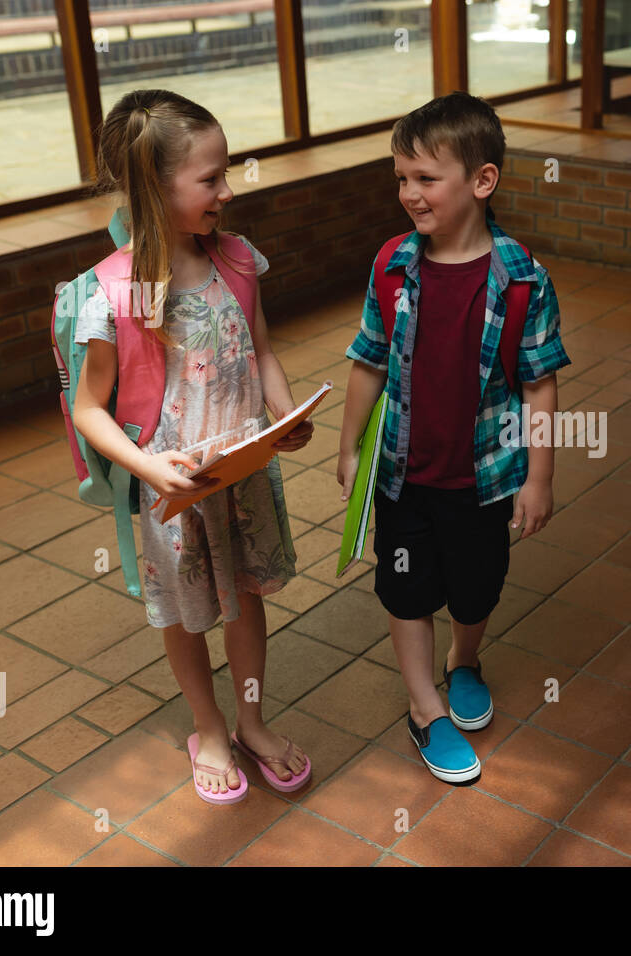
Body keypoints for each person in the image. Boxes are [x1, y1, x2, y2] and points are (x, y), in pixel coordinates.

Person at [72, 89, 312, 804]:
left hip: (240, 474)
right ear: (154, 187)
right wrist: (150, 468)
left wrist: (283, 409)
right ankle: (207, 726)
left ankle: (251, 719)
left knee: (245, 599)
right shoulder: (123, 293)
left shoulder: (235, 260)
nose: (227, 191)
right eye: (211, 179)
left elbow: (262, 349)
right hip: (172, 490)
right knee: (186, 614)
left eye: (226, 171)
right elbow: (90, 408)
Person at [338, 91, 571, 784]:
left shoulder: (522, 278)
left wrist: (539, 478)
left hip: (486, 478)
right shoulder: (390, 265)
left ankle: (464, 660)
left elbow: (539, 385)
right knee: (406, 591)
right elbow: (368, 360)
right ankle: (425, 708)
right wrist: (351, 448)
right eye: (400, 178)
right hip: (403, 477)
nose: (408, 193)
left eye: (424, 178)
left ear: (482, 181)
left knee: (476, 590)